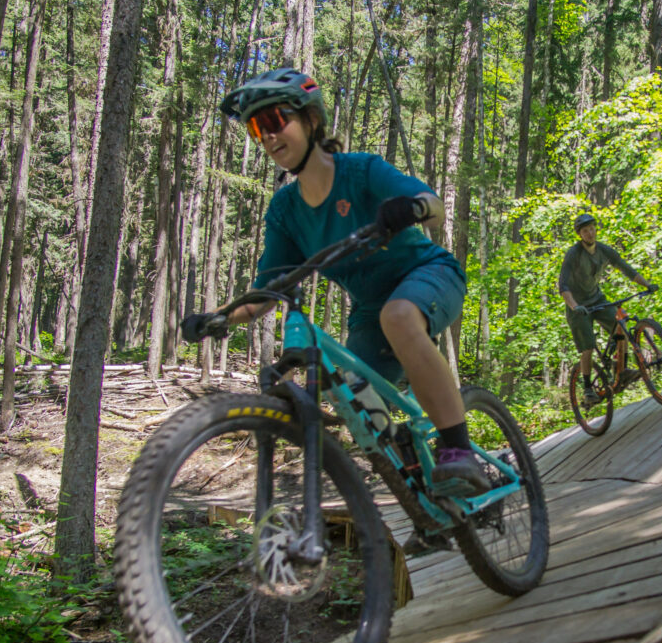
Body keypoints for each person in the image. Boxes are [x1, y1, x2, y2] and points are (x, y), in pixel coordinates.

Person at [179, 67, 487, 496]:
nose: (267, 136)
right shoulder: (285, 209)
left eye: (274, 121)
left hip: (428, 275)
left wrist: (411, 208)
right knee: (351, 396)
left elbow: (432, 204)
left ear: (311, 120)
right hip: (369, 312)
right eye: (256, 128)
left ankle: (459, 450)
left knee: (399, 316)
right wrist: (219, 318)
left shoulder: (360, 171)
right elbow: (268, 289)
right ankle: (426, 497)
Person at [559, 213, 656, 404]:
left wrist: (647, 285)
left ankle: (622, 370)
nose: (590, 233)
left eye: (592, 228)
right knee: (587, 347)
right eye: (585, 230)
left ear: (596, 229)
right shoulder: (574, 254)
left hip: (597, 299)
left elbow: (626, 269)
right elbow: (563, 286)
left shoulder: (603, 250)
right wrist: (575, 306)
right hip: (578, 307)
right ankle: (587, 389)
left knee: (622, 327)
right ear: (580, 234)